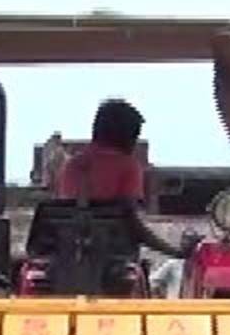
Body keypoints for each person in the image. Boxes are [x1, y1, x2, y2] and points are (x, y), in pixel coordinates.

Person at [51, 98, 195, 262]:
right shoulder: (128, 166)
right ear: (127, 137)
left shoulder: (72, 165)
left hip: (66, 255)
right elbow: (132, 225)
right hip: (112, 261)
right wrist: (176, 252)